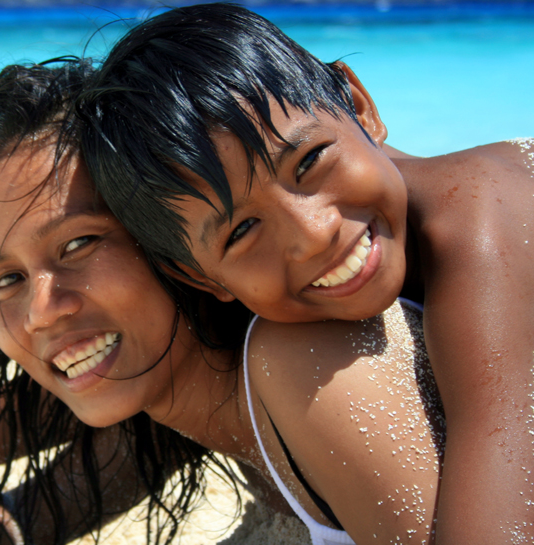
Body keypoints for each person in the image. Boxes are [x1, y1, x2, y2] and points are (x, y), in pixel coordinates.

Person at [0, 55, 443, 545]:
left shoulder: (312, 364)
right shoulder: (173, 416)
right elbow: (28, 501)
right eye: (7, 280)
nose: (43, 310)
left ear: (172, 238)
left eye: (79, 244)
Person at [78, 3, 534, 544]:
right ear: (201, 277)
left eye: (310, 162)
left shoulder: (484, 219)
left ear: (360, 105)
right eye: (243, 232)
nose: (314, 233)